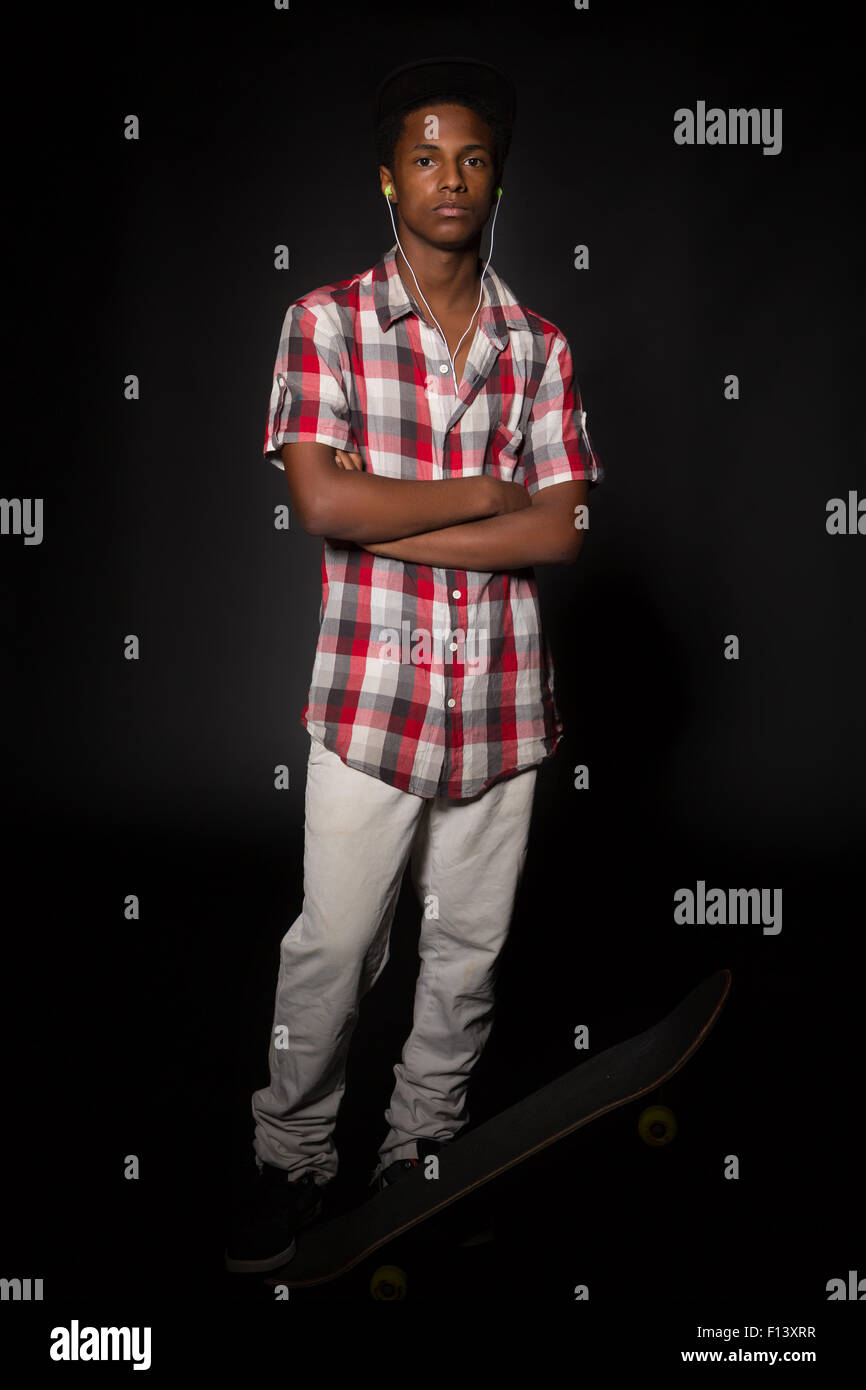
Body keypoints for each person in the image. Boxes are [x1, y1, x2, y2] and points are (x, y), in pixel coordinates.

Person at [225, 55, 604, 1273]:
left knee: (465, 959)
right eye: (426, 156)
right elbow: (324, 501)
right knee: (331, 951)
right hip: (371, 708)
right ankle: (290, 1163)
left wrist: (398, 512)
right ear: (388, 175)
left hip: (500, 713)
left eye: (473, 157)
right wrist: (480, 491)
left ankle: (418, 1153)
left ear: (497, 178)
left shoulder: (535, 344)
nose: (450, 177)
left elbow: (558, 527)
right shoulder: (324, 320)